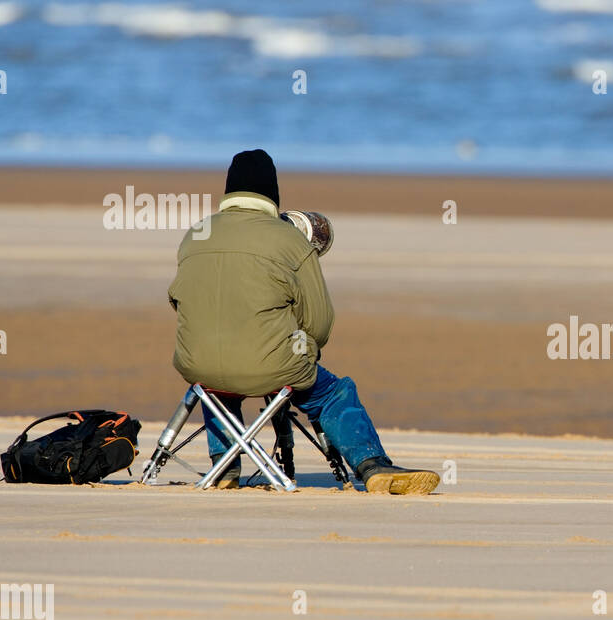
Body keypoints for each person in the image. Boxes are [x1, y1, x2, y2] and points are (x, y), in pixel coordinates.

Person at [167, 149, 439, 494]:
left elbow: (178, 301)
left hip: (197, 366)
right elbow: (320, 321)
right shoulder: (289, 239)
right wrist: (304, 348)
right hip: (271, 367)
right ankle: (373, 466)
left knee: (217, 380)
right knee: (335, 393)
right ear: (272, 192)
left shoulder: (196, 234)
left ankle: (225, 465)